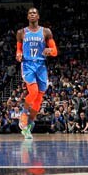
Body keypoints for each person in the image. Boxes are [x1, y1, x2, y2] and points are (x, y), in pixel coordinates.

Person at [16, 7, 58, 140]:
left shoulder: (46, 31)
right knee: (33, 92)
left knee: (39, 98)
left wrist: (49, 51)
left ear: (38, 16)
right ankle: (23, 114)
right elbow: (18, 50)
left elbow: (55, 51)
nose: (32, 15)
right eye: (30, 13)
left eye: (34, 13)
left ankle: (29, 124)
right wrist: (18, 55)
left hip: (41, 66)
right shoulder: (21, 32)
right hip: (28, 65)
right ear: (28, 17)